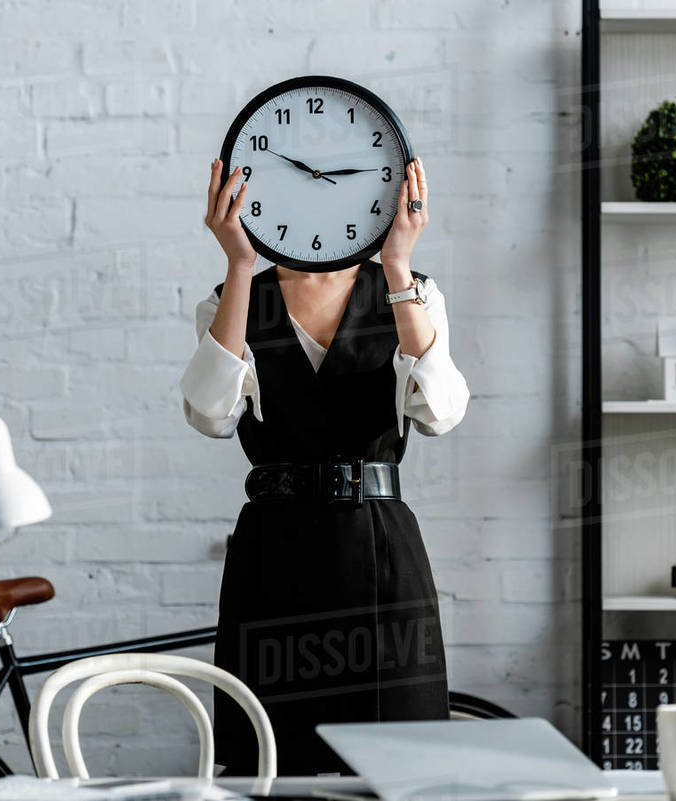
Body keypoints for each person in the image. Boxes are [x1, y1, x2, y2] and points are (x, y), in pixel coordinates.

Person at [178, 156, 470, 776]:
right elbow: (208, 413)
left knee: (400, 767)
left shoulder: (413, 290)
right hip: (274, 556)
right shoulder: (233, 297)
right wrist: (238, 265)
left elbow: (441, 412)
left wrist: (395, 266)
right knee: (270, 762)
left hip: (380, 550)